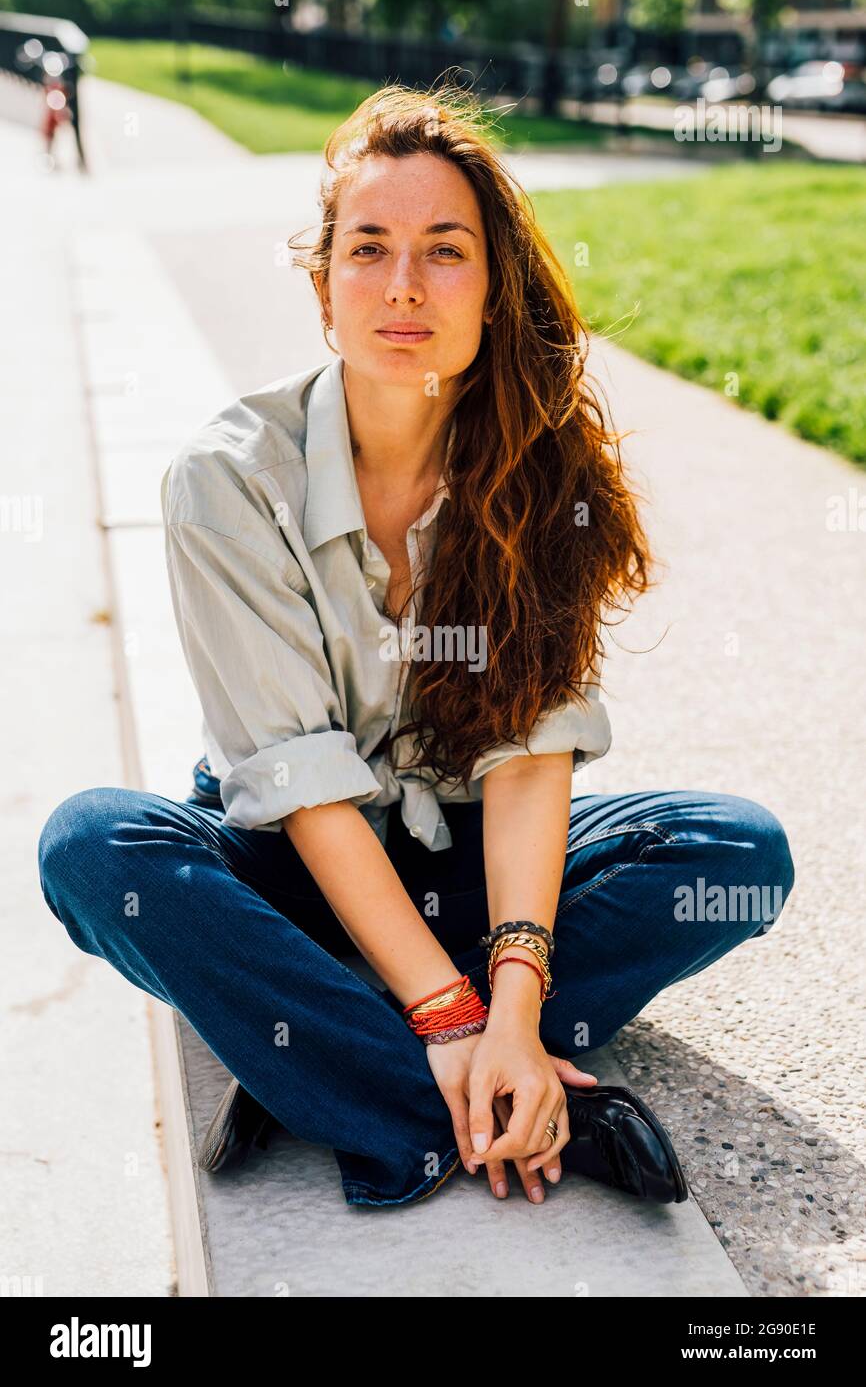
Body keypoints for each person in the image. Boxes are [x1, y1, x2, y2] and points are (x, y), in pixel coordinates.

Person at [37, 83, 795, 1210]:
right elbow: (303, 790)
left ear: (491, 290)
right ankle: (486, 1097)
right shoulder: (229, 480)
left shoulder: (541, 475)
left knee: (736, 855)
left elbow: (530, 759)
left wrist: (515, 998)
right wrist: (447, 1017)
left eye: (444, 251)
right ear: (322, 286)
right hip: (298, 858)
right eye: (368, 249)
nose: (402, 286)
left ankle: (314, 1060)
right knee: (92, 849)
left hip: (468, 854)